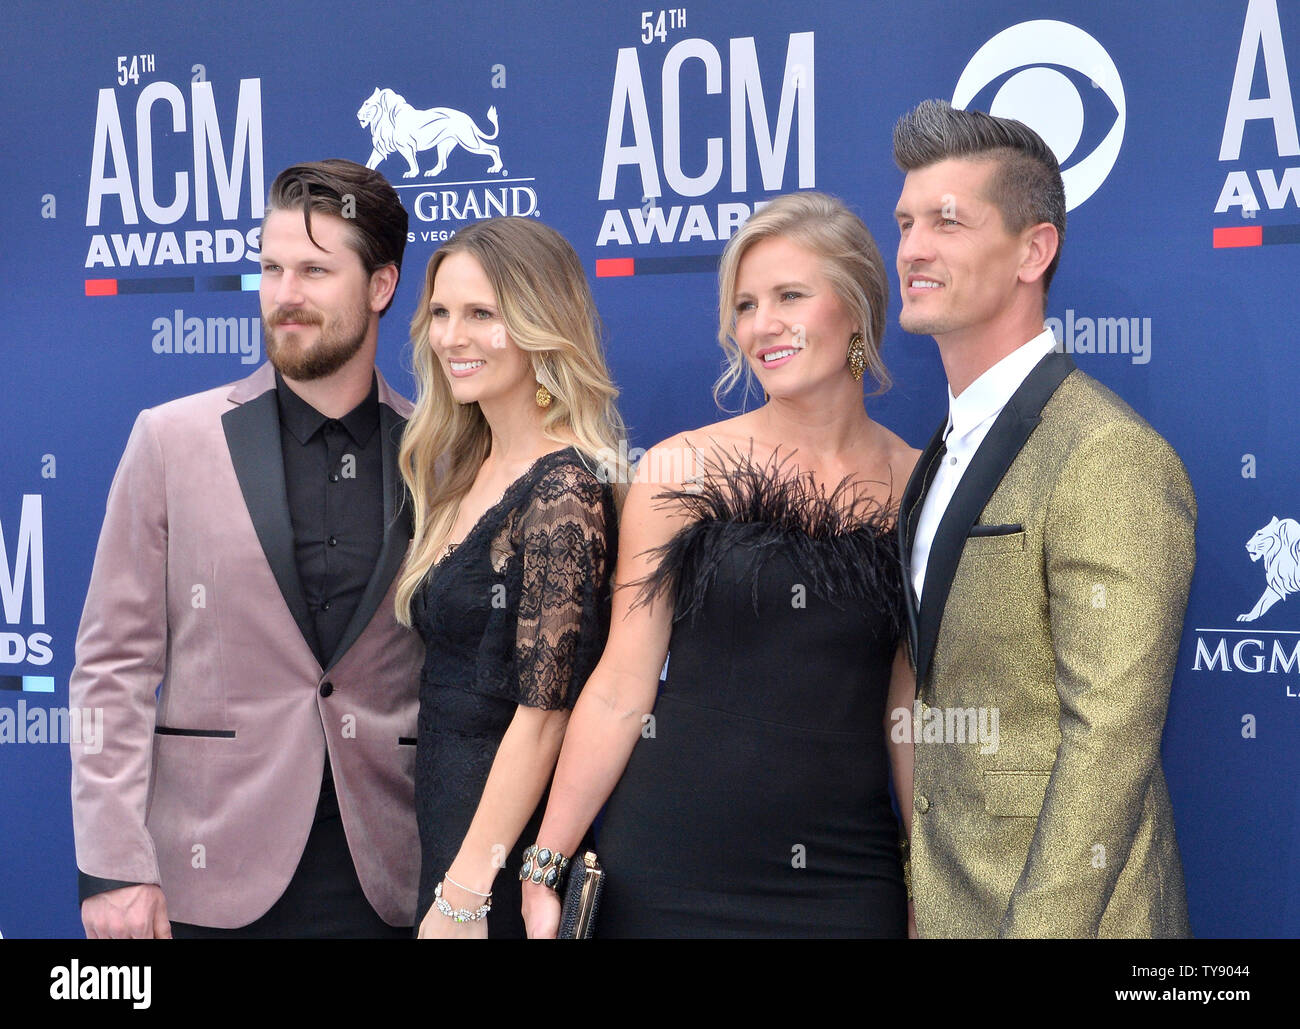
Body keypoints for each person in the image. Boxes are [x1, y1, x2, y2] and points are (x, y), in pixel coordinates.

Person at [521, 192, 920, 938]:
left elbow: (909, 705)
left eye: (790, 295)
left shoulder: (920, 484)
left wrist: (924, 880)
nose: (761, 324)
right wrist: (547, 861)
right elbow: (620, 686)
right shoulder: (683, 466)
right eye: (744, 304)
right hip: (671, 865)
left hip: (845, 872)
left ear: (858, 308)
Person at [69, 159, 423, 938]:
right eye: (270, 268)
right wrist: (113, 865)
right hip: (206, 876)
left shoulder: (439, 454)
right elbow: (112, 667)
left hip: (392, 879)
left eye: (314, 271)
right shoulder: (170, 440)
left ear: (380, 286)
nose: (284, 294)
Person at [891, 99, 1195, 938]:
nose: (913, 247)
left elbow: (1111, 741)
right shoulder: (941, 451)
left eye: (948, 221)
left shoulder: (1106, 453)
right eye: (907, 221)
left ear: (1035, 250)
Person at [396, 218, 623, 938]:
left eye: (482, 314)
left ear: (538, 323)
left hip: (498, 860)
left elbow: (545, 713)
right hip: (451, 827)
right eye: (440, 312)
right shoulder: (463, 470)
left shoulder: (565, 490)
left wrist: (466, 891)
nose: (452, 336)